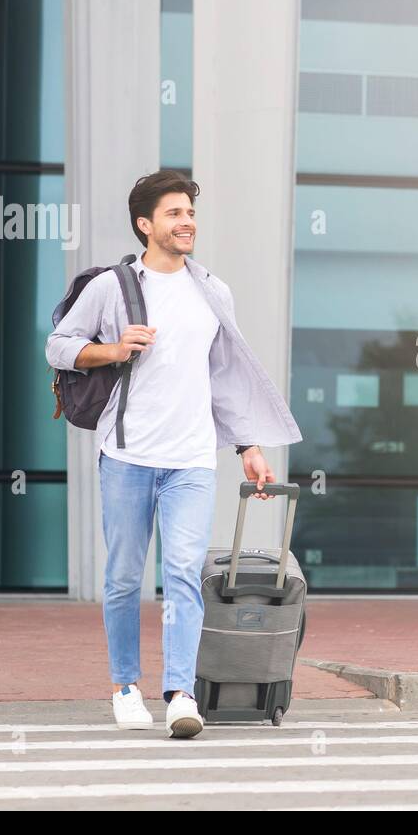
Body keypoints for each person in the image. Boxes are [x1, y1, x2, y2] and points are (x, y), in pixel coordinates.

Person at [45, 170, 301, 737]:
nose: (186, 222)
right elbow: (58, 344)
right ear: (145, 224)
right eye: (174, 214)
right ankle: (124, 686)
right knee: (122, 577)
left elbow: (225, 379)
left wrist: (248, 445)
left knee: (184, 573)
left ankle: (181, 692)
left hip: (191, 459)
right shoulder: (113, 287)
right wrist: (111, 349)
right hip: (129, 456)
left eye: (190, 213)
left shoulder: (212, 290)